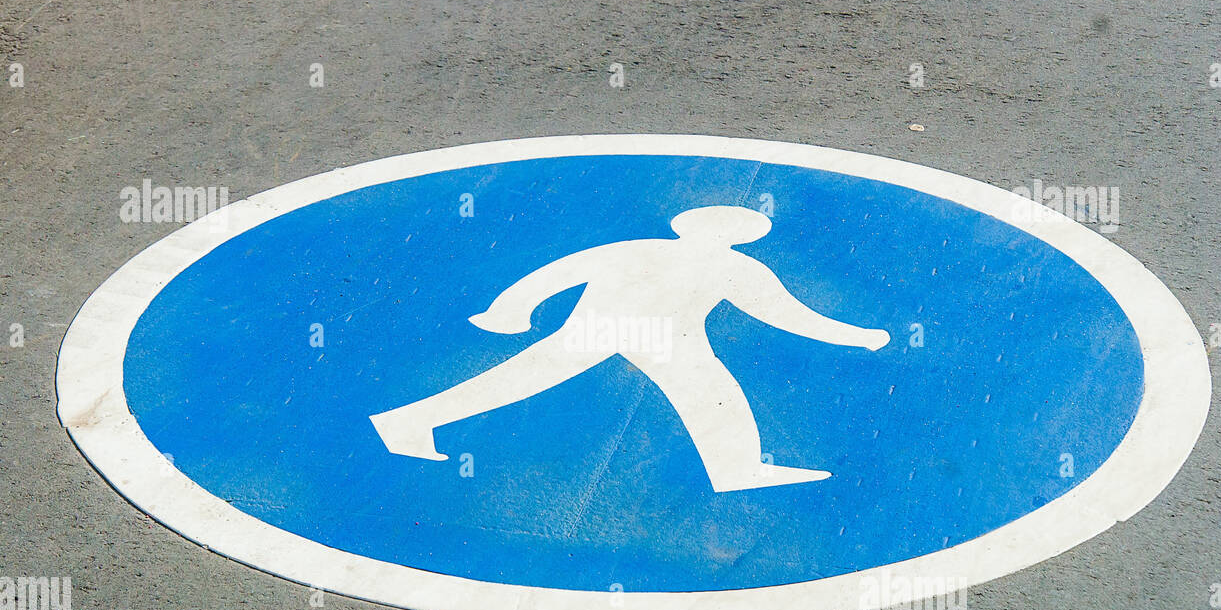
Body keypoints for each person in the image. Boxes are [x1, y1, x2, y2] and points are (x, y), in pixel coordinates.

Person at [371, 205, 889, 492]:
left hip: (622, 332)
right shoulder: (735, 267)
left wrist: (510, 310)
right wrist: (860, 336)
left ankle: (410, 420)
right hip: (656, 338)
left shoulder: (641, 249)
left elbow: (555, 275)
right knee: (715, 395)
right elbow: (790, 316)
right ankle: (738, 471)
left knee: (522, 379)